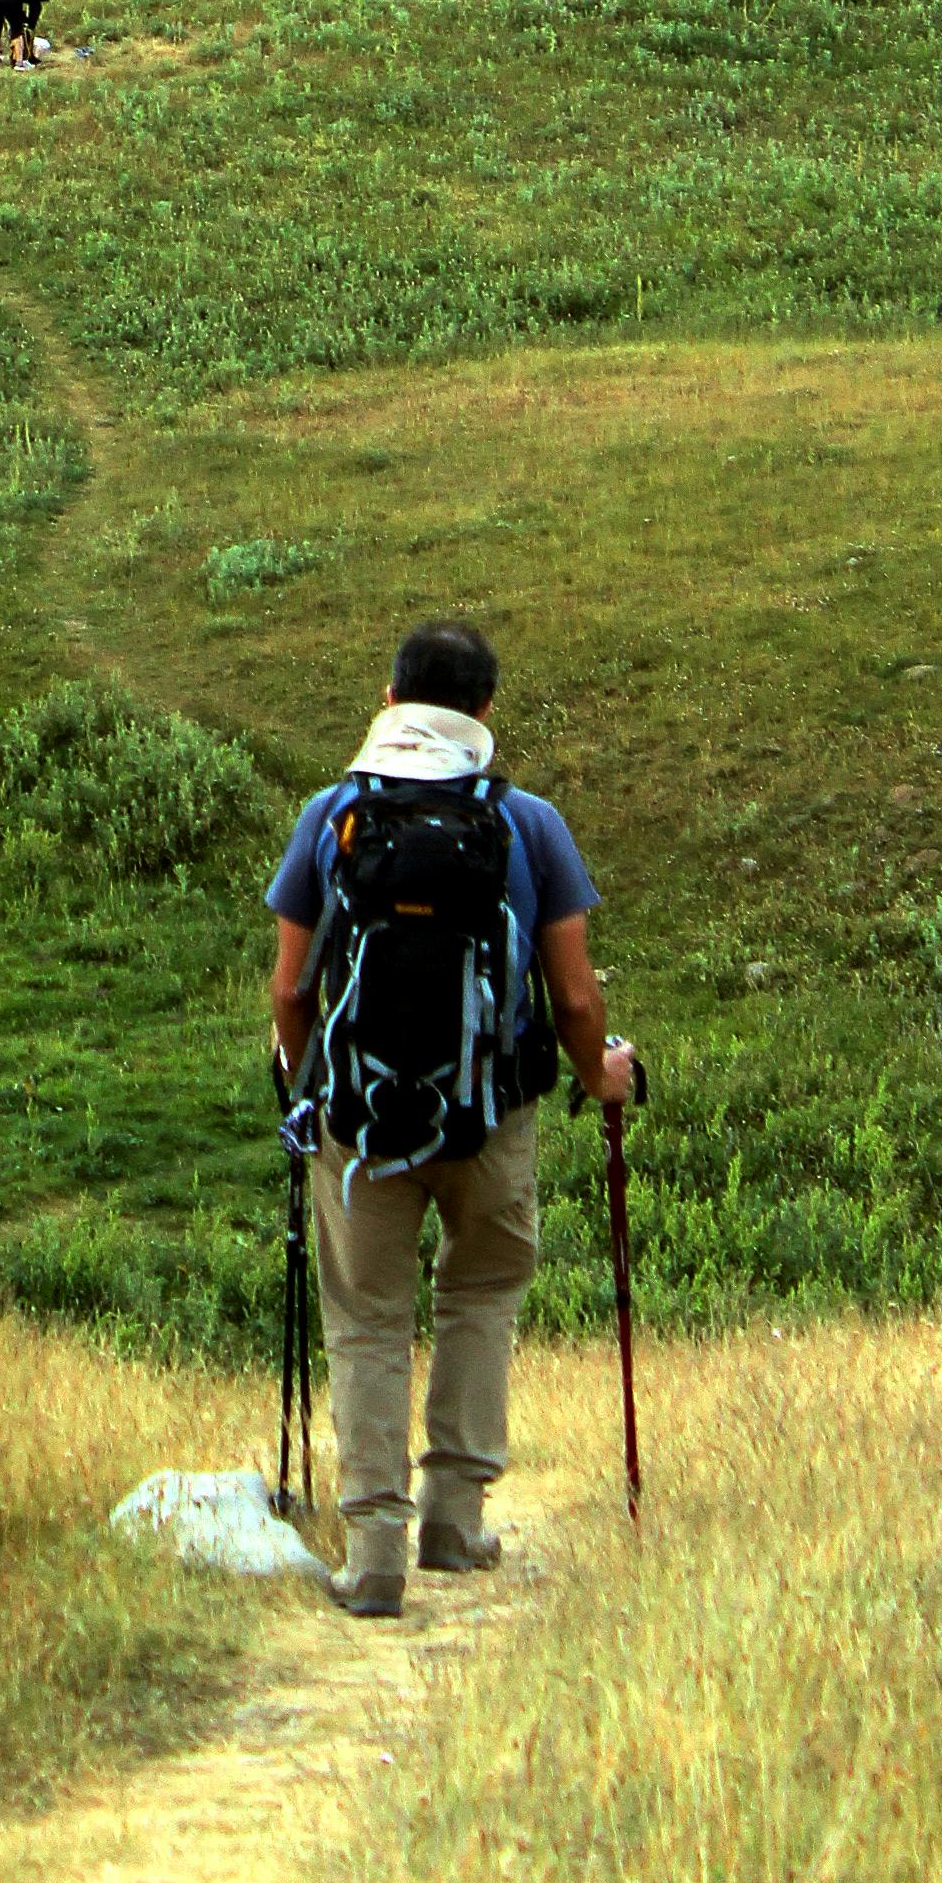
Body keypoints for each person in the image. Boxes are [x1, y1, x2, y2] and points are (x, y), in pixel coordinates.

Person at [265, 617, 639, 1617]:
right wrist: (601, 1074)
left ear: (389, 701)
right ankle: (456, 1519)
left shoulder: (332, 816)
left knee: (368, 1319)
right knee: (480, 1294)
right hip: (492, 1114)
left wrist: (304, 1083)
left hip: (358, 1122)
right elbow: (572, 998)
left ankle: (375, 1547)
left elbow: (292, 990)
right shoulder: (530, 826)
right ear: (484, 713)